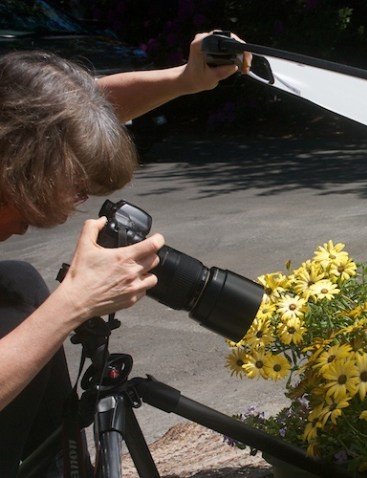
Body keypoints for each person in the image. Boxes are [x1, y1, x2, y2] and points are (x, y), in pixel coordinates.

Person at [0, 31, 248, 476]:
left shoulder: (13, 129)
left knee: (17, 285)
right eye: (72, 187)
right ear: (17, 165)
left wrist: (184, 80)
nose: (74, 202)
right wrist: (76, 300)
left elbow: (61, 119)